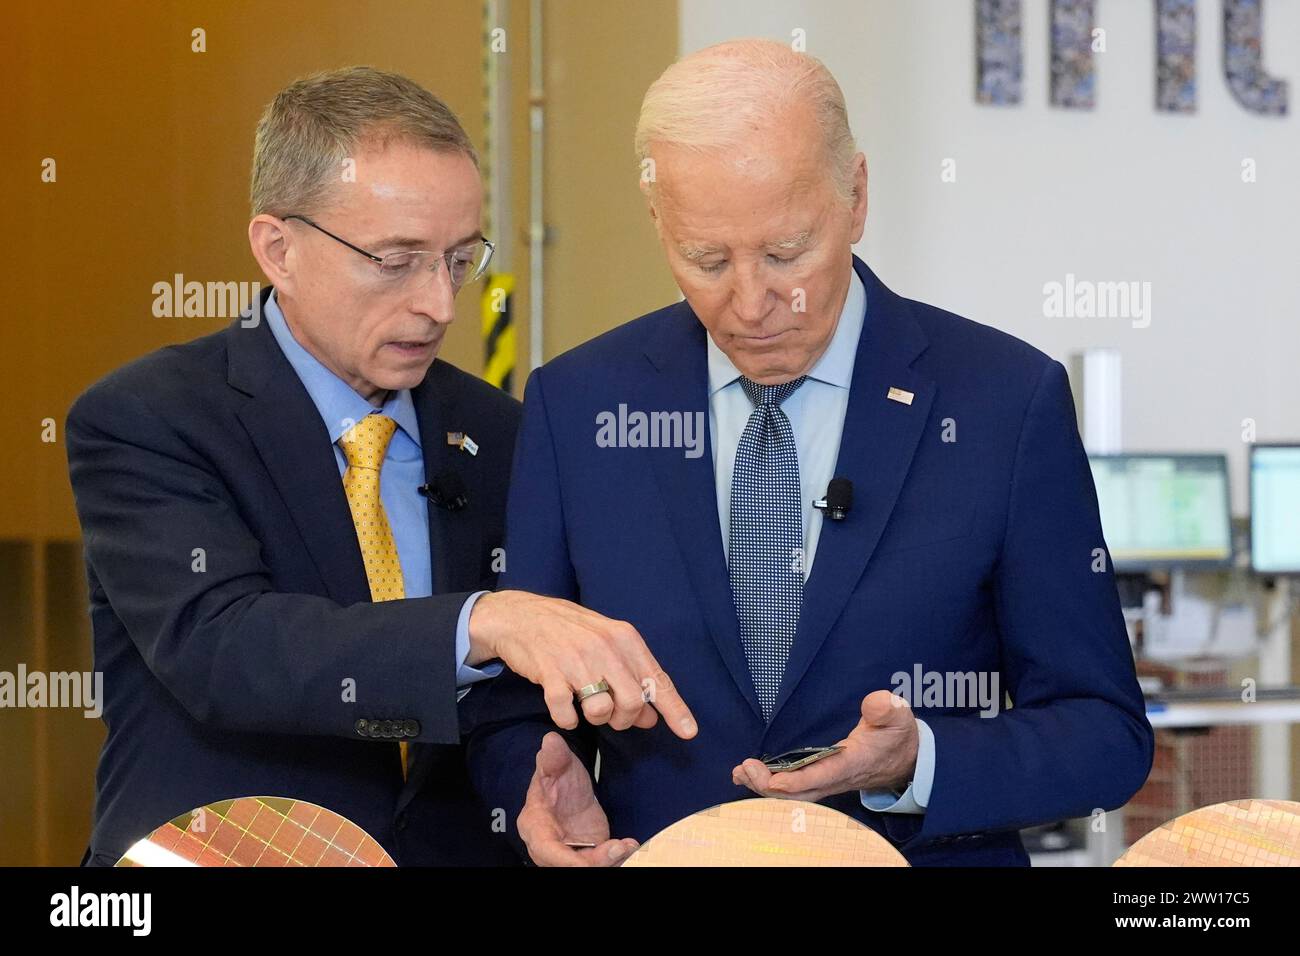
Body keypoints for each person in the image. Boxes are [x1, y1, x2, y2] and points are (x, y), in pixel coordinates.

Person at [464, 40, 1153, 866]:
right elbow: (512, 702)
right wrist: (535, 788)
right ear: (660, 223)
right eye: (706, 259)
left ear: (856, 197)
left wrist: (920, 762)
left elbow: (1104, 732)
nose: (753, 303)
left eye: (787, 254)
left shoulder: (1005, 402)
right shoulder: (577, 405)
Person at [65, 66, 694, 867]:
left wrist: (531, 784)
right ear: (278, 249)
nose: (439, 303)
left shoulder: (499, 433)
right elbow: (222, 647)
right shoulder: (151, 417)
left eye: (459, 260)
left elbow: (502, 700)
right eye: (395, 261)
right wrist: (482, 621)